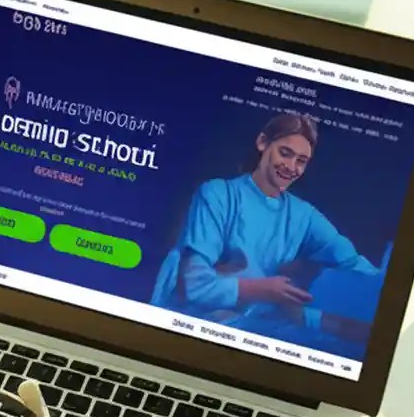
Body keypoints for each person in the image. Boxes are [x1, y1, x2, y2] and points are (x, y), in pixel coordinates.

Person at [151, 112, 380, 343]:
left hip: (255, 335)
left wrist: (382, 295)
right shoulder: (218, 195)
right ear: (262, 142)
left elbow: (354, 265)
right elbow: (195, 286)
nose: (291, 167)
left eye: (301, 161)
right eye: (285, 153)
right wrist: (262, 289)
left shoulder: (304, 216)